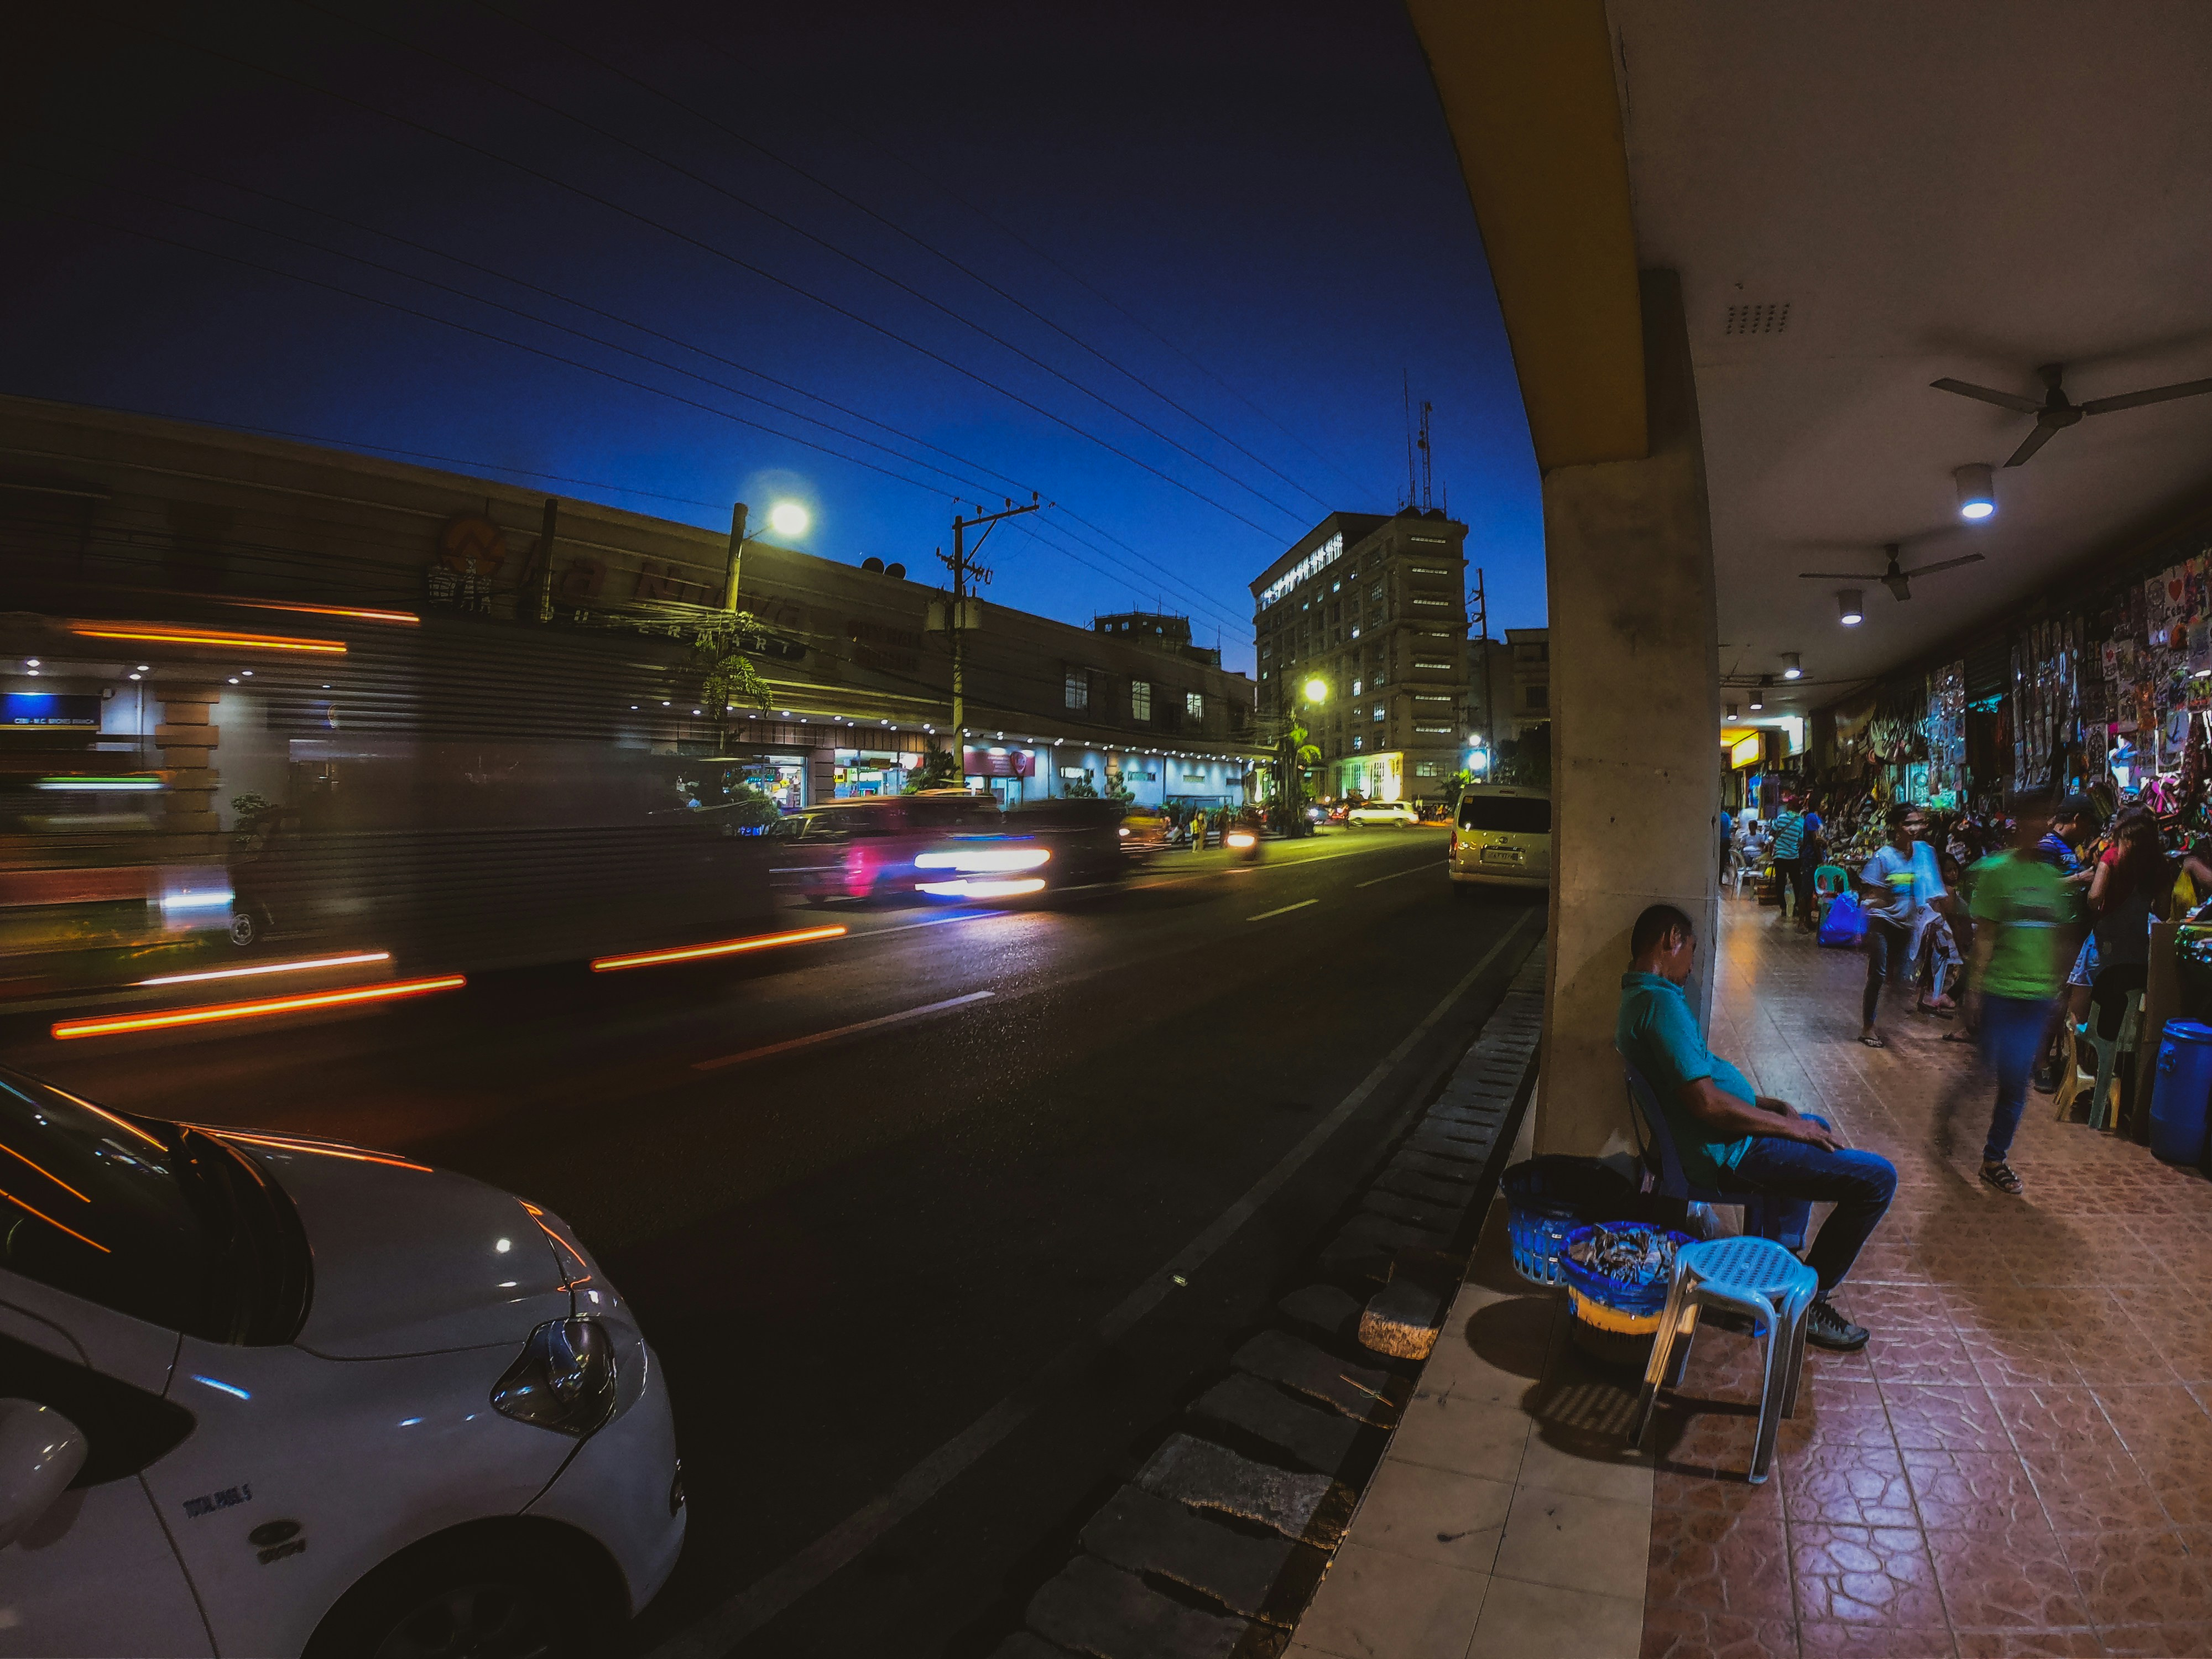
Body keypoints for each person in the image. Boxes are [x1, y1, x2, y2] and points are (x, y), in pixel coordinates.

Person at [1617, 903, 1899, 1350]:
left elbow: (1700, 1080)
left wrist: (1769, 1107)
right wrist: (1788, 1130)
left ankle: (1782, 1262)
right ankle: (1807, 1302)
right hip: (1727, 1153)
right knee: (1878, 1179)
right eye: (1690, 951)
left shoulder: (1639, 998)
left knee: (1813, 1123)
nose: (1690, 968)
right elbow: (1708, 1104)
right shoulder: (1660, 1004)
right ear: (1671, 939)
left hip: (1725, 1141)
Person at [1965, 791, 2087, 1196]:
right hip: (2000, 990)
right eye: (2032, 818)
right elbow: (1985, 937)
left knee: (2015, 1079)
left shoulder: (2052, 881)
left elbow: (2059, 938)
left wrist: (2058, 989)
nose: (2040, 826)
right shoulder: (1997, 872)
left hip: (2034, 997)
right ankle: (1957, 1116)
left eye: (2046, 818)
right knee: (1988, 1074)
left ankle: (1993, 1158)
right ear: (2017, 822)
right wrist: (1974, 991)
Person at [1858, 806, 1929, 1047]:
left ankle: (1884, 1020)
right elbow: (1871, 894)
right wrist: (1885, 896)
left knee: (1899, 977)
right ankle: (1868, 1027)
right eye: (1910, 823)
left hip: (1907, 925)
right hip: (1882, 922)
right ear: (1898, 826)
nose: (1915, 829)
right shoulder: (1884, 857)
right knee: (1877, 975)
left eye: (1920, 823)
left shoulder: (1923, 856)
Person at [1769, 793, 1812, 930]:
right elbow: (1801, 841)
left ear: (1789, 806)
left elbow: (1772, 833)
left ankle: (1783, 907)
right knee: (1797, 883)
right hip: (1793, 856)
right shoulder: (1801, 822)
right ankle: (1798, 907)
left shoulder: (1781, 819)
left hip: (1780, 856)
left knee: (1780, 882)